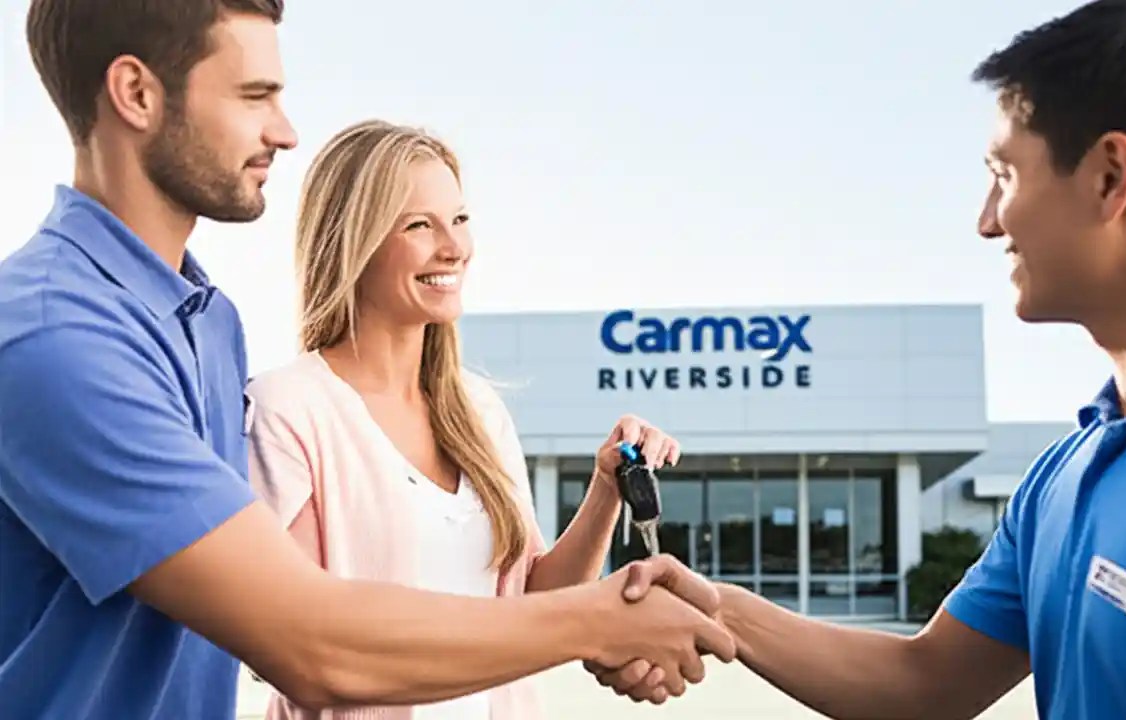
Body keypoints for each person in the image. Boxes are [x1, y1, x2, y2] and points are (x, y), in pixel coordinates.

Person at [0, 2, 732, 719]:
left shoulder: (208, 322)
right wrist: (605, 620)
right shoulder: (54, 341)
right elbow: (308, 641)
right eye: (255, 96)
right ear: (135, 93)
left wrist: (598, 554)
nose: (285, 133)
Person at [592, 0, 1126, 718]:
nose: (987, 221)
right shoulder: (1066, 473)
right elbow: (926, 683)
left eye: (1004, 176)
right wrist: (716, 611)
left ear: (1110, 177)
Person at [244, 118, 686, 719]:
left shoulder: (479, 412)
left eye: (460, 219)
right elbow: (288, 646)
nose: (454, 247)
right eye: (419, 225)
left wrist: (606, 488)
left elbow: (535, 605)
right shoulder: (286, 411)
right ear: (356, 239)